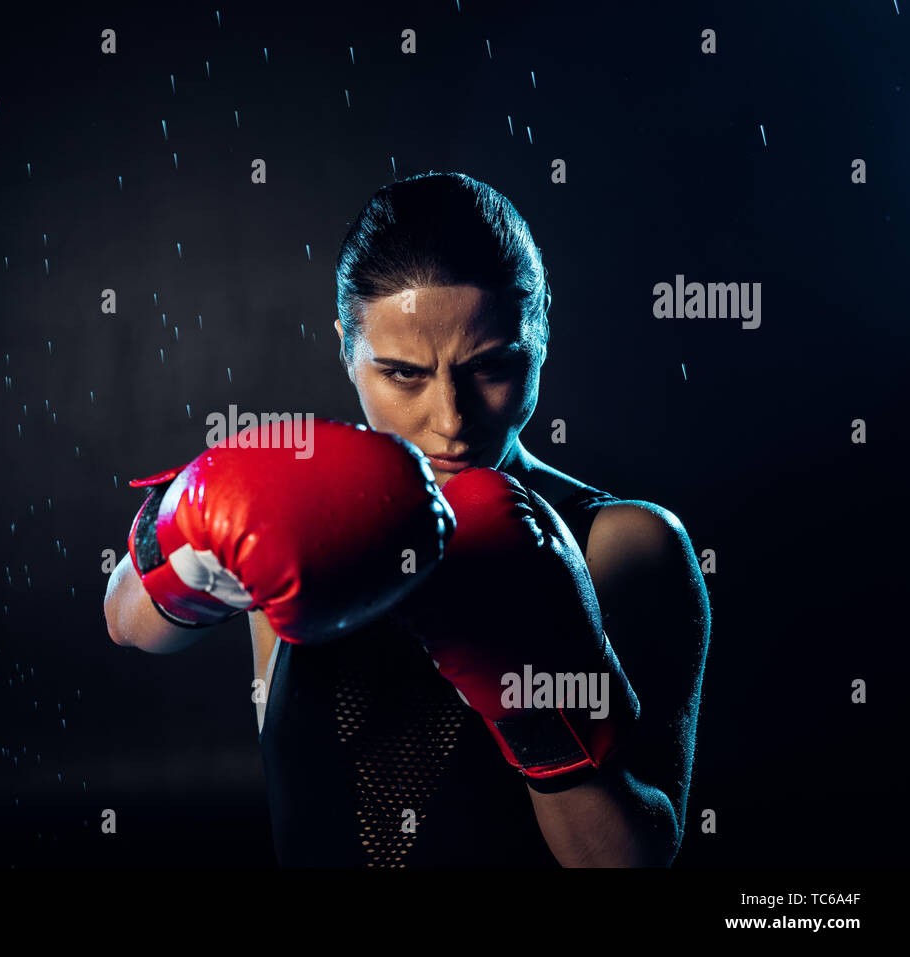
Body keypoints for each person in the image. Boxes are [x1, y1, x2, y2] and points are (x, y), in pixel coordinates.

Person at [105, 172, 710, 867]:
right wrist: (206, 534)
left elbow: (629, 862)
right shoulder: (306, 507)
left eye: (491, 367)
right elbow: (126, 619)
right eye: (403, 373)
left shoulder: (623, 544)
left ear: (540, 332)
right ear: (346, 348)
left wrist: (541, 712)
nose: (451, 419)